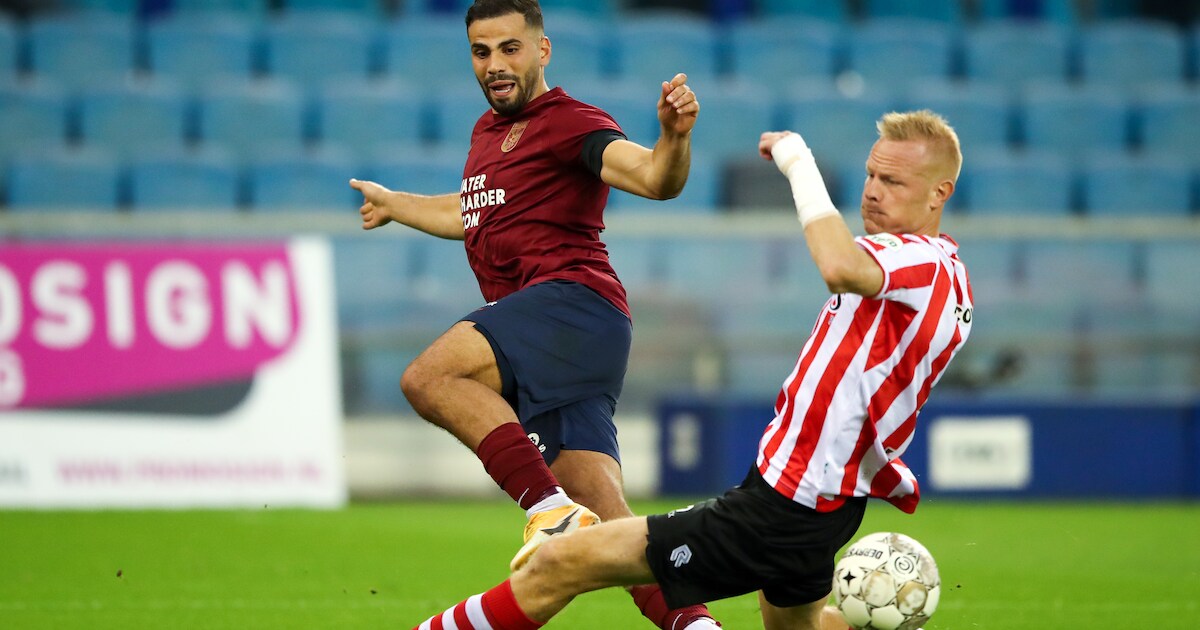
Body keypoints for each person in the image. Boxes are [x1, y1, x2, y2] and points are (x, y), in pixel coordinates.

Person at [410, 110, 973, 630]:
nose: (873, 192)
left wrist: (799, 160)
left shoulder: (918, 262)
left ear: (940, 194)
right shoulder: (940, 277)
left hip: (787, 506)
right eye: (872, 175)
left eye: (893, 183)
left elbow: (836, 263)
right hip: (819, 508)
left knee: (558, 562)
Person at [349, 0, 717, 628]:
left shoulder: (571, 122)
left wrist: (673, 139)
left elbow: (656, 178)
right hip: (570, 334)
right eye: (480, 51)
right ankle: (697, 625)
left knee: (430, 378)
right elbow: (468, 213)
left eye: (510, 48)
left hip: (573, 304)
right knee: (607, 522)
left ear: (542, 51)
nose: (495, 64)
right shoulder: (486, 134)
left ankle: (545, 508)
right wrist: (395, 204)